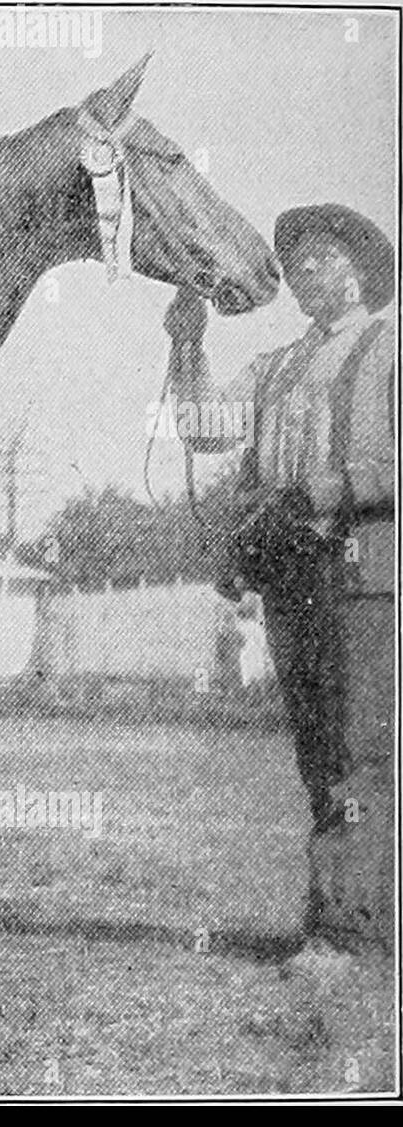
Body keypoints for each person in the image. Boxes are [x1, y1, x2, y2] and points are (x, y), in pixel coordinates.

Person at [165, 204, 395, 976]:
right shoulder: (279, 364)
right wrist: (187, 343)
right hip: (294, 581)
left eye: (323, 258)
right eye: (296, 263)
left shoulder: (391, 348)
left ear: (360, 270)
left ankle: (349, 934)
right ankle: (344, 918)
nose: (304, 273)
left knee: (361, 752)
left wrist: (327, 491)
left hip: (369, 577)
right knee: (319, 755)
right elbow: (200, 427)